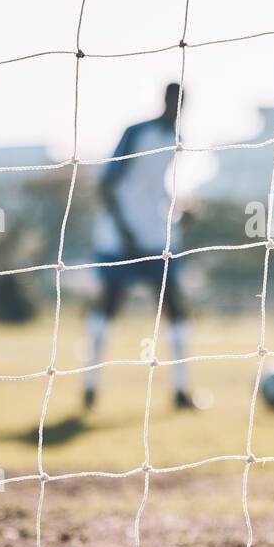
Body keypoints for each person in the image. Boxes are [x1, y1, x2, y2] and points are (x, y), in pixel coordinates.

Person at [84, 82, 197, 412]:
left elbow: (158, 186)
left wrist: (179, 210)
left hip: (155, 237)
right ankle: (89, 386)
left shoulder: (177, 141)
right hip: (120, 237)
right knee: (109, 305)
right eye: (174, 100)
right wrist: (124, 230)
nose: (177, 107)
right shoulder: (136, 133)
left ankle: (180, 391)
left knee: (175, 306)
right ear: (164, 99)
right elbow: (106, 185)